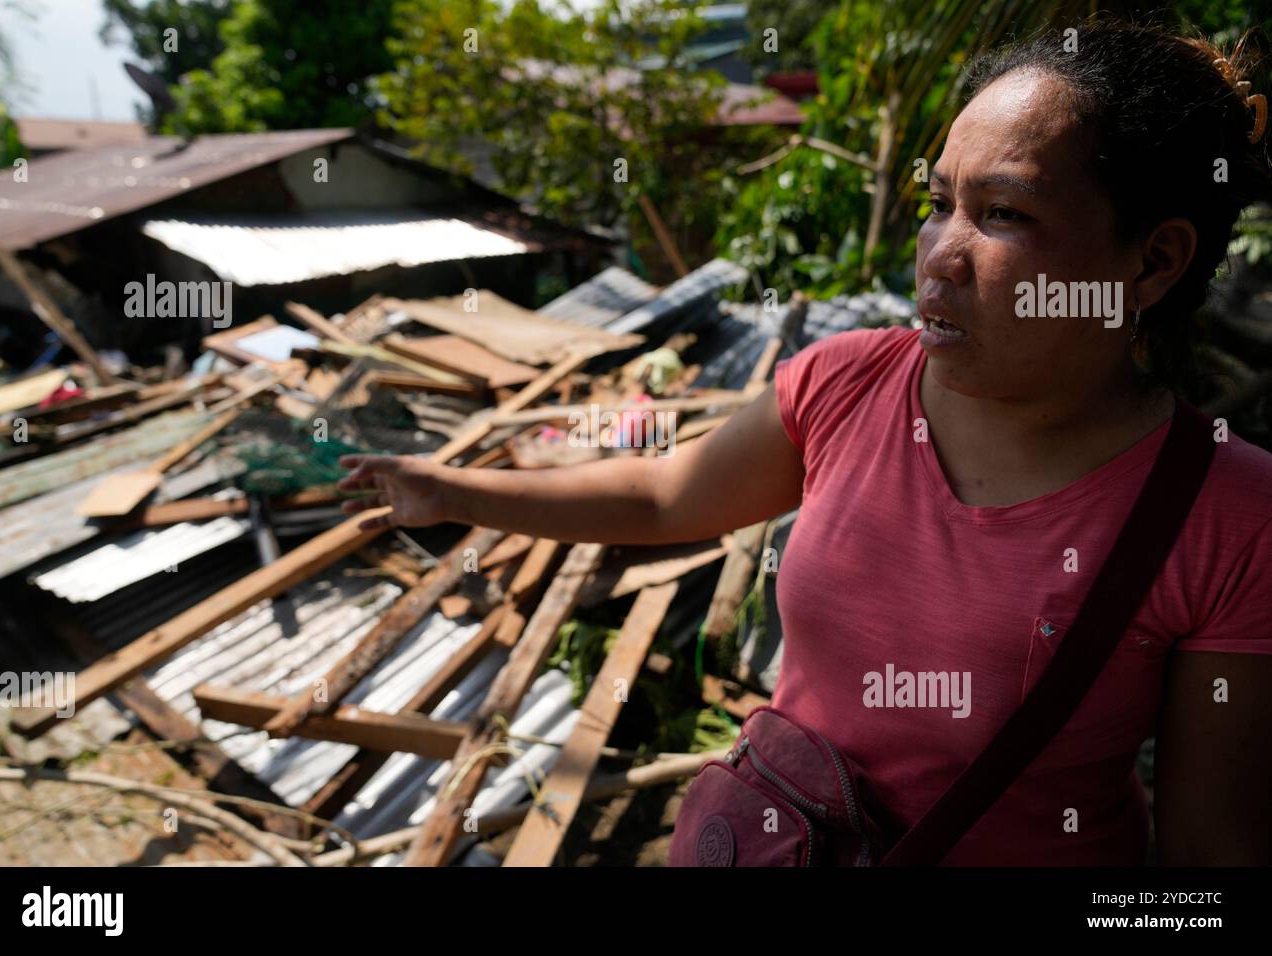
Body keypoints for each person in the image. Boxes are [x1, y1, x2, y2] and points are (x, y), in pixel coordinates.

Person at [338, 21, 1272, 865]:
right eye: (939, 201)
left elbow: (1205, 866)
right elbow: (665, 496)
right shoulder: (848, 383)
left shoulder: (1226, 516)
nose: (940, 253)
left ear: (1152, 261)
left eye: (1005, 215)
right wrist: (453, 491)